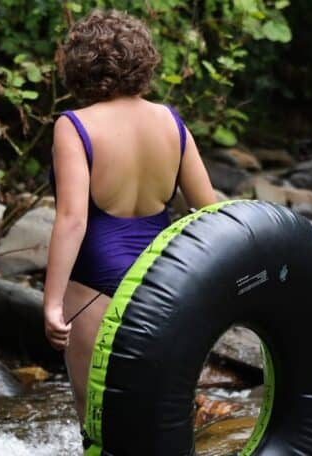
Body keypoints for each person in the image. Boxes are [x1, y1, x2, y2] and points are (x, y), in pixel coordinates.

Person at [43, 9, 216, 420]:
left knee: (98, 423)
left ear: (79, 64)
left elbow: (72, 219)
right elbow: (210, 212)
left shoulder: (74, 125)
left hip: (95, 289)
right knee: (161, 420)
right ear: (144, 60)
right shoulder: (171, 122)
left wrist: (52, 303)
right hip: (166, 286)